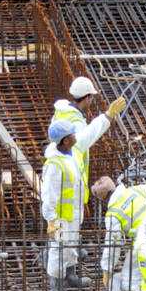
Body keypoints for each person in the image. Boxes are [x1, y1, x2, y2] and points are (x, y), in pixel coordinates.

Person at [50, 77, 126, 214]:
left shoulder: (62, 112)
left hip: (66, 188)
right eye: (91, 98)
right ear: (86, 98)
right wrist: (108, 116)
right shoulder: (74, 121)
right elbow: (84, 139)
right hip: (69, 193)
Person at [41, 123, 87, 291]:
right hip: (59, 219)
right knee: (58, 252)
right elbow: (49, 198)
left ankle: (70, 277)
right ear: (66, 140)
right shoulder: (54, 165)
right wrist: (52, 223)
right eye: (73, 134)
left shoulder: (72, 155)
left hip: (73, 215)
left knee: (71, 247)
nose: (76, 135)